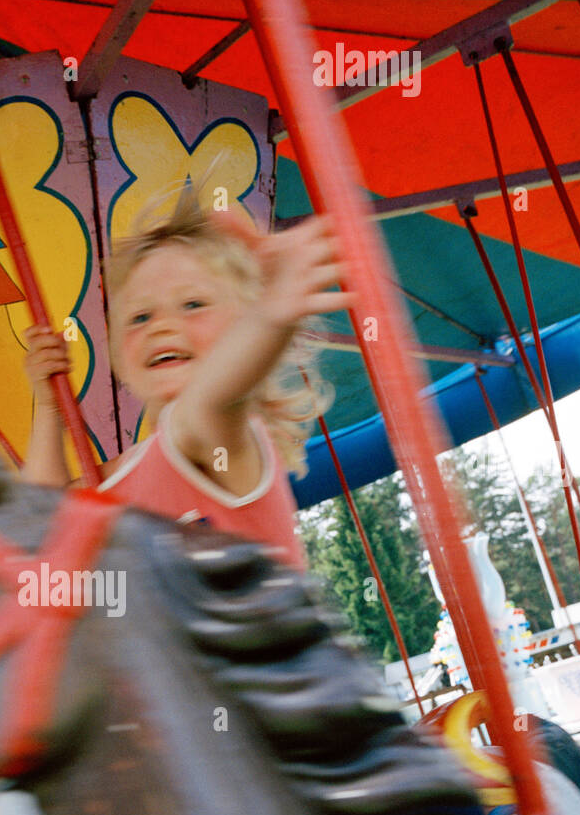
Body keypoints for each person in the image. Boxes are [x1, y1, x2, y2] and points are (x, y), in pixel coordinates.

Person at [21, 190, 351, 565]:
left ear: (242, 330)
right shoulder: (124, 472)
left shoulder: (221, 438)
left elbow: (210, 403)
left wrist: (269, 315)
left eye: (193, 304)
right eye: (140, 317)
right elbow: (41, 522)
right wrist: (49, 407)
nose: (161, 326)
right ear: (116, 354)